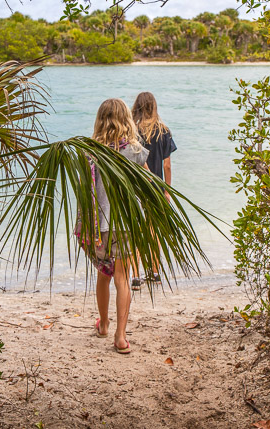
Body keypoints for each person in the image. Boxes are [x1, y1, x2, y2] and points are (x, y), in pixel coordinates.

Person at [85, 98, 149, 354]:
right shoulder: (134, 150)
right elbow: (147, 183)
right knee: (122, 279)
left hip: (99, 224)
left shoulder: (90, 151)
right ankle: (120, 337)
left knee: (103, 275)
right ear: (127, 119)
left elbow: (83, 189)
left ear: (100, 120)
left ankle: (103, 325)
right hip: (125, 223)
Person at [130, 91, 177, 289]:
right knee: (153, 229)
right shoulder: (163, 130)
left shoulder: (132, 131)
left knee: (136, 230)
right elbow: (167, 164)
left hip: (135, 187)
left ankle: (134, 275)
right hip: (157, 187)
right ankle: (155, 272)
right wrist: (167, 189)